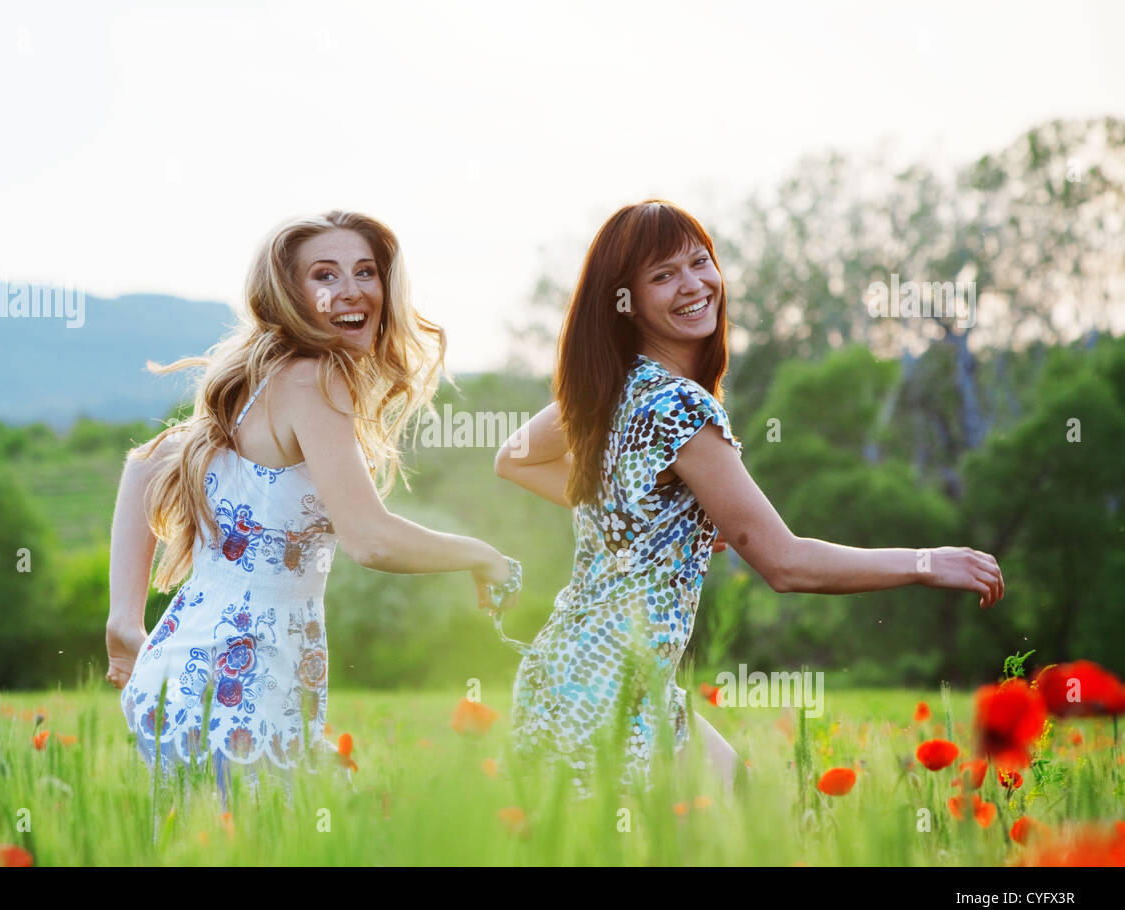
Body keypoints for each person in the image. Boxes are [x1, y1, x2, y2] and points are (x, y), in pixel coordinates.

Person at [494, 199, 1004, 798]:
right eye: (662, 276)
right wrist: (924, 562)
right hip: (606, 692)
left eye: (698, 262)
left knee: (748, 812)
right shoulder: (680, 407)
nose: (693, 285)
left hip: (578, 674)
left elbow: (514, 458)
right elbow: (784, 563)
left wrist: (659, 526)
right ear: (625, 302)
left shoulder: (615, 383)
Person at [104, 210, 518, 803]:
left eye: (366, 271)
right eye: (325, 275)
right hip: (237, 687)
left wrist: (125, 617)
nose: (351, 290)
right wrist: (481, 554)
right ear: (288, 294)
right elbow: (369, 538)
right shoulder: (313, 379)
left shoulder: (257, 380)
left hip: (181, 675)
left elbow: (143, 463)